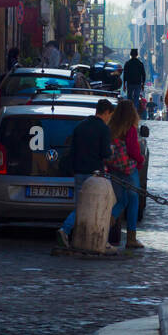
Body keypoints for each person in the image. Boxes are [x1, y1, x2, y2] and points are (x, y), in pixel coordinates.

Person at [56, 99, 115, 250]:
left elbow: (72, 150)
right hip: (94, 174)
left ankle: (77, 237)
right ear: (106, 112)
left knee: (80, 205)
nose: (109, 119)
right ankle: (66, 229)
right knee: (89, 206)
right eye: (110, 115)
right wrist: (111, 151)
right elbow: (105, 153)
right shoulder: (103, 129)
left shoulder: (80, 126)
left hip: (79, 171)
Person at [103, 99, 145, 249]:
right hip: (129, 170)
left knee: (121, 201)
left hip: (114, 168)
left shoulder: (111, 127)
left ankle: (103, 228)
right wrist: (141, 160)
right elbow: (134, 150)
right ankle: (131, 238)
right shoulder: (130, 129)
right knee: (133, 201)